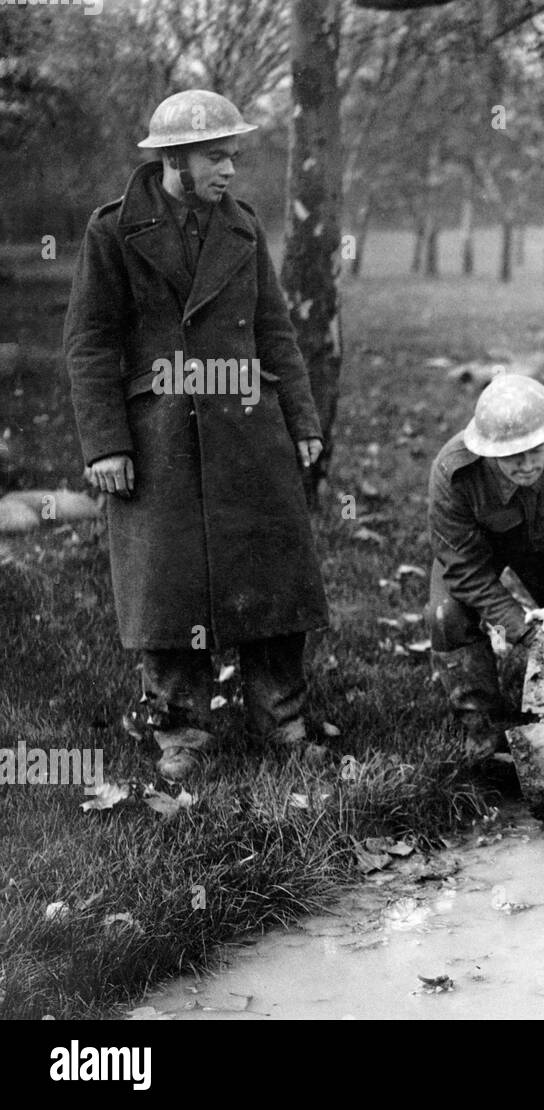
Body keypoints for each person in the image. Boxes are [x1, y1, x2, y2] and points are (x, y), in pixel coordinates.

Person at [64, 90, 330, 781]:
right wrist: (106, 444)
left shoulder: (242, 227)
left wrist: (301, 419)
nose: (231, 171)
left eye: (233, 157)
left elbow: (274, 329)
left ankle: (284, 718)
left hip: (248, 424)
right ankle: (181, 730)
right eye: (217, 157)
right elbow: (90, 344)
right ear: (175, 160)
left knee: (273, 570)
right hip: (160, 434)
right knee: (167, 584)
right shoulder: (114, 231)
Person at [427, 373, 544, 756]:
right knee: (446, 616)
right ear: (487, 451)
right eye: (510, 457)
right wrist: (521, 627)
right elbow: (464, 568)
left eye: (535, 451)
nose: (525, 465)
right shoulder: (452, 471)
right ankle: (483, 733)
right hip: (480, 552)